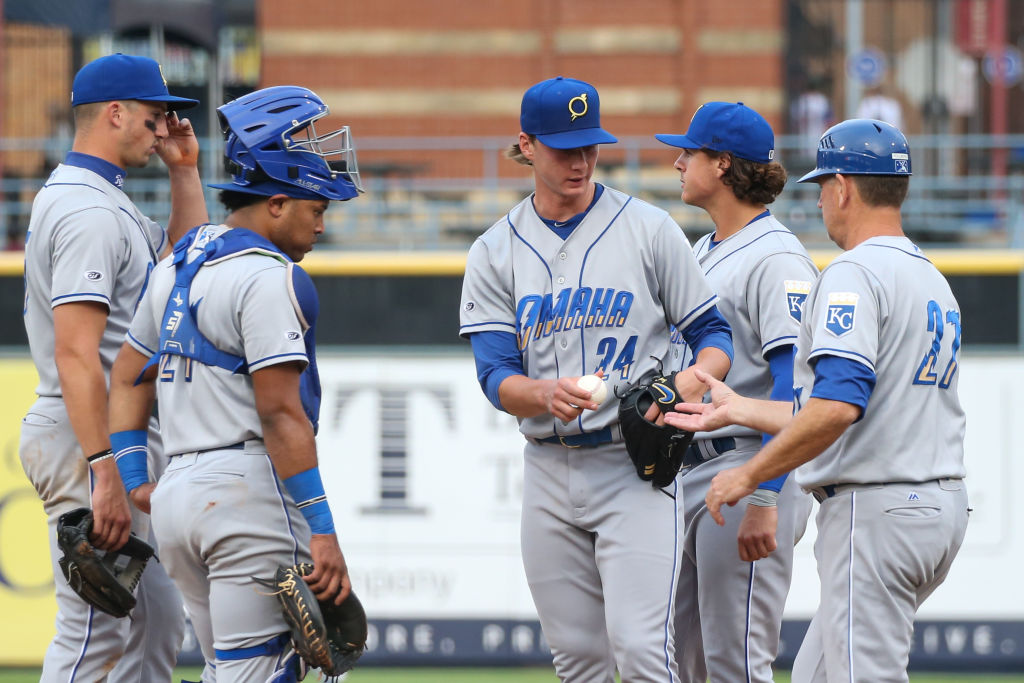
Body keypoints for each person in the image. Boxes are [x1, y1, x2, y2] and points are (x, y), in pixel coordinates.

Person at [669, 119, 969, 682]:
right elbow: (843, 403)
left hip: (877, 508)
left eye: (823, 186)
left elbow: (838, 408)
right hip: (937, 504)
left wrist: (750, 477)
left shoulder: (855, 272)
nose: (823, 203)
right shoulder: (929, 275)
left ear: (843, 188)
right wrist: (740, 409)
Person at [459, 76, 734, 682]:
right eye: (564, 148)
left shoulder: (648, 228)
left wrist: (692, 383)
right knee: (579, 661)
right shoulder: (494, 250)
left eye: (590, 146)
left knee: (640, 652)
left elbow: (715, 336)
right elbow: (493, 373)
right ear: (527, 145)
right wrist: (539, 394)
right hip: (547, 470)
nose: (581, 160)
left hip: (634, 465)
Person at [107, 85, 362, 683]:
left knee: (229, 669)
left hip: (180, 498)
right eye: (315, 208)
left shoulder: (177, 264)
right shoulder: (269, 277)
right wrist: (322, 529)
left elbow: (125, 377)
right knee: (278, 672)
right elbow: (280, 416)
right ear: (275, 203)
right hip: (247, 495)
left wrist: (140, 480)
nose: (321, 224)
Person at [19, 52, 207, 682]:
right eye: (154, 118)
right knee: (93, 632)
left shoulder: (103, 199)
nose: (162, 132)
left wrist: (185, 175)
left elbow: (184, 269)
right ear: (116, 112)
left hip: (105, 431)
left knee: (156, 624)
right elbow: (75, 351)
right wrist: (104, 468)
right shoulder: (89, 211)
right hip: (87, 434)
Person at [655, 102, 817, 682]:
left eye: (689, 152)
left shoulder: (777, 259)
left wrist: (767, 496)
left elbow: (797, 394)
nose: (678, 162)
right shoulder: (703, 251)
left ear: (722, 164)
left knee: (736, 665)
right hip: (693, 473)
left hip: (750, 464)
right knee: (684, 663)